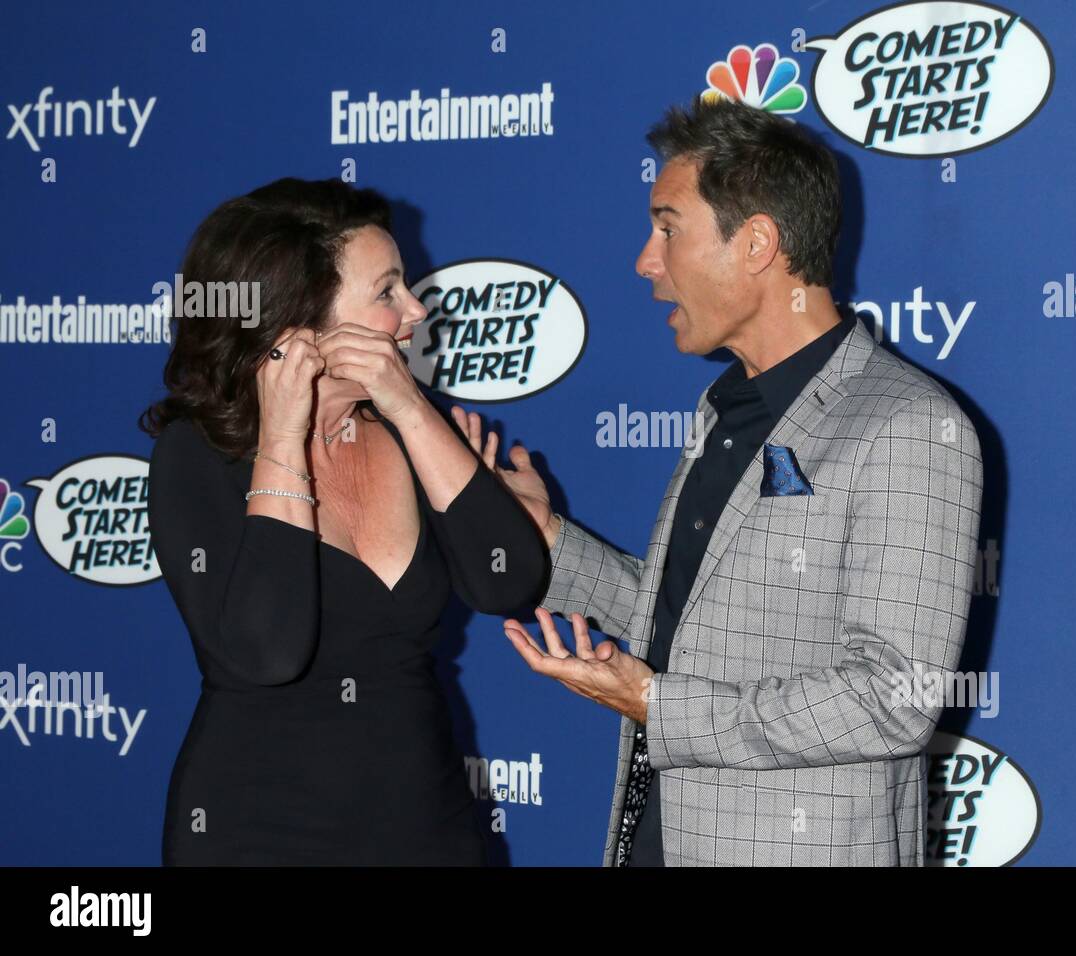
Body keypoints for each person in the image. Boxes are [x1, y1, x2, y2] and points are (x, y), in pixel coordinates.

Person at [463, 97, 984, 866]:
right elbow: (693, 626)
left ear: (758, 244)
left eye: (667, 228)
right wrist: (546, 543)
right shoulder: (727, 404)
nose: (646, 259)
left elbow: (892, 699)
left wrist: (654, 705)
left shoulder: (907, 424)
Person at [141, 177, 546, 865]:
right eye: (387, 291)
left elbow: (508, 584)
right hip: (260, 835)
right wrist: (282, 439)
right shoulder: (198, 455)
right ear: (300, 325)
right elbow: (267, 654)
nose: (416, 308)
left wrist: (413, 410)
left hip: (428, 827)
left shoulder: (407, 430)